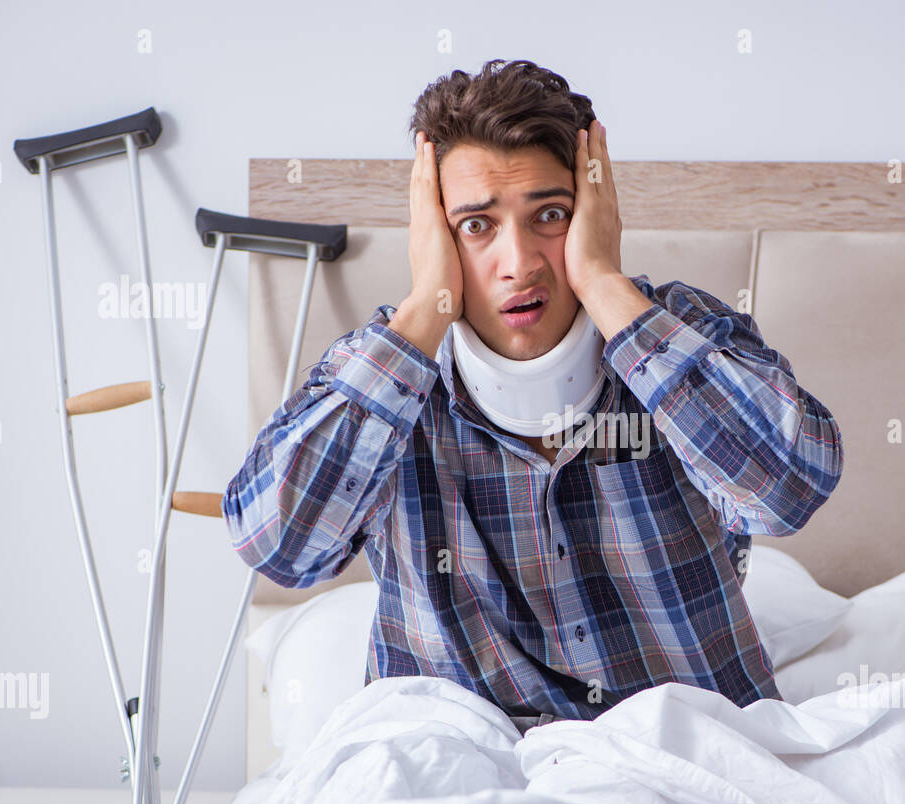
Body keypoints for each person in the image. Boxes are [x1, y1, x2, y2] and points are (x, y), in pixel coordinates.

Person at [222, 59, 844, 729]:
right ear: (434, 236)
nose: (517, 264)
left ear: (595, 216)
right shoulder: (381, 375)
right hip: (460, 777)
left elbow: (788, 488)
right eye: (476, 226)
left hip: (683, 758)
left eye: (550, 214)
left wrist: (605, 282)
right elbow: (276, 545)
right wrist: (423, 309)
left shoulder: (684, 337)